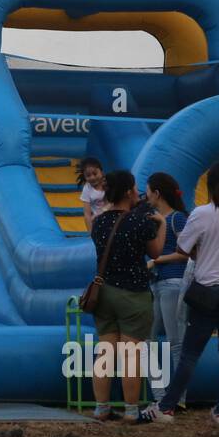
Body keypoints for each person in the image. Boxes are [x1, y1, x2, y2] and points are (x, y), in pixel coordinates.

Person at [138, 161, 219, 427]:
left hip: (209, 290)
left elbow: (183, 249)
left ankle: (166, 407)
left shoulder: (202, 213)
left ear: (209, 184)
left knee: (189, 353)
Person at [87, 171, 166, 422]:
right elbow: (156, 253)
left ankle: (101, 408)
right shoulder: (140, 221)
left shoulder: (98, 222)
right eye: (134, 187)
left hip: (104, 293)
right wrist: (162, 224)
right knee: (131, 354)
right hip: (133, 293)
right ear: (128, 191)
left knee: (105, 352)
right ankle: (131, 411)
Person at [145, 172, 190, 407]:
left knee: (176, 341)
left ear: (157, 193)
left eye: (148, 192)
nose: (146, 197)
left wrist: (157, 260)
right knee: (148, 339)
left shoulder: (177, 219)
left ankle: (177, 397)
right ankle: (161, 396)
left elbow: (186, 253)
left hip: (172, 282)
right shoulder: (156, 219)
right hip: (157, 283)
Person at [79, 156, 108, 231]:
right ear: (84, 177)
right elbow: (87, 214)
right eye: (88, 175)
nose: (92, 177)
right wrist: (90, 232)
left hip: (110, 214)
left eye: (95, 174)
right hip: (98, 220)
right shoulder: (87, 189)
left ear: (101, 172)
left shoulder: (108, 183)